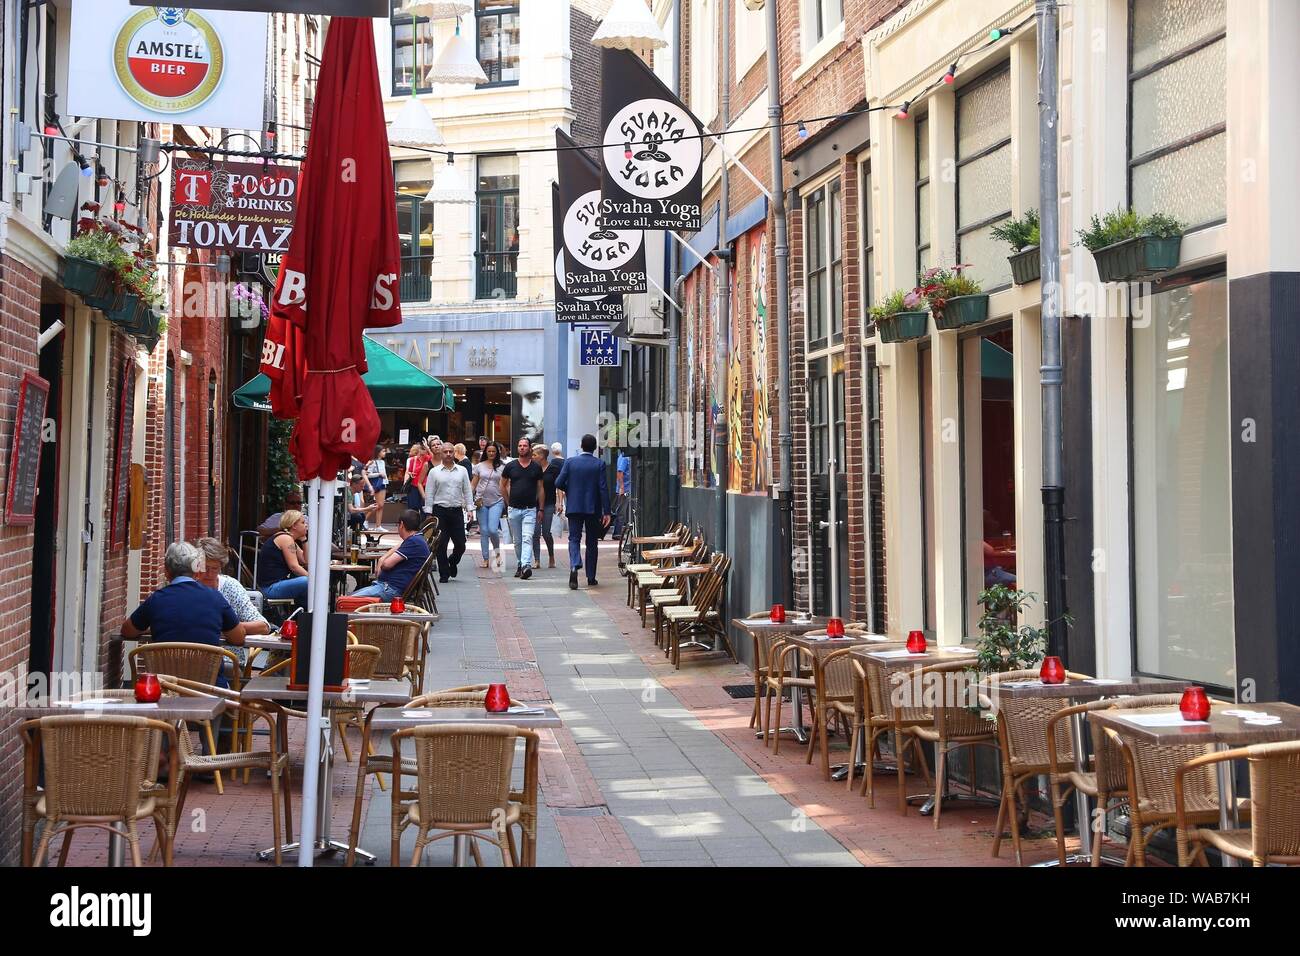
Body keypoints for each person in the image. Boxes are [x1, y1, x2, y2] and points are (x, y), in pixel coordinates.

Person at [122, 542, 246, 649]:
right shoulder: (215, 598)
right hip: (206, 676)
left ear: (166, 572)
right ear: (197, 571)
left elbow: (127, 632)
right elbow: (238, 638)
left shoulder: (156, 599)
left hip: (166, 676)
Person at [555, 433, 612, 590]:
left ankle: (574, 564)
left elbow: (558, 482)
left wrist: (571, 491)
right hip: (592, 508)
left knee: (574, 538)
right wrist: (607, 511)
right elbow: (603, 488)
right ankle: (591, 577)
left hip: (574, 507)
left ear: (581, 445)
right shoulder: (599, 464)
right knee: (592, 542)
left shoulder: (570, 462)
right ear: (594, 448)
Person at [194, 537, 271, 636]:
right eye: (204, 568)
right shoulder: (187, 586)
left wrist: (226, 628)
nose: (209, 574)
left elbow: (263, 627)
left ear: (221, 567)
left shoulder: (230, 586)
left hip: (228, 651)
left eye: (214, 568)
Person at [352, 510, 431, 601]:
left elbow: (386, 564)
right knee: (350, 597)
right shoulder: (415, 539)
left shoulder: (414, 542)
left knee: (346, 600)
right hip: (388, 587)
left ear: (401, 524)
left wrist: (383, 560)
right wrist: (383, 558)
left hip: (391, 590)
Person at [424, 443, 473, 583]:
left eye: (451, 451)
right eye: (445, 451)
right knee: (441, 544)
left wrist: (470, 509)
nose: (448, 454)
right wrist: (428, 513)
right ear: (441, 453)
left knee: (461, 544)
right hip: (440, 511)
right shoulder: (434, 472)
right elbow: (429, 493)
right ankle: (444, 573)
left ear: (454, 453)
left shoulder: (462, 470)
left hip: (457, 510)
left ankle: (453, 561)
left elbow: (467, 490)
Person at [501, 437, 544, 579]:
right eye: (520, 445)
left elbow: (540, 488)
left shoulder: (536, 467)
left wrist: (541, 508)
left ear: (530, 448)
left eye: (525, 445)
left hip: (530, 509)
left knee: (527, 537)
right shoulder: (511, 466)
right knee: (517, 541)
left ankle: (526, 565)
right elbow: (502, 485)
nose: (522, 448)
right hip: (513, 508)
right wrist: (508, 502)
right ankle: (520, 564)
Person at [256, 510, 310, 606]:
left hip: (276, 585)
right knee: (306, 582)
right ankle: (305, 615)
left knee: (306, 582)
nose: (306, 525)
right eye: (302, 522)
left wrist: (304, 540)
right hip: (270, 588)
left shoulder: (288, 538)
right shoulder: (285, 538)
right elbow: (294, 567)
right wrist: (313, 580)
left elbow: (305, 561)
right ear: (293, 525)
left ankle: (303, 615)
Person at [472, 440, 506, 569]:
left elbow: (506, 485)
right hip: (481, 501)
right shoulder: (479, 466)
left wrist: (508, 500)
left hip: (497, 500)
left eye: (493, 451)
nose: (491, 453)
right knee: (484, 531)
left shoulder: (502, 466)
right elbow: (473, 484)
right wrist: (469, 498)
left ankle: (497, 554)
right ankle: (486, 558)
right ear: (485, 452)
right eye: (489, 451)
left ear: (497, 452)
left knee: (492, 529)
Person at [533, 444, 561, 569]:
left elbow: (559, 485)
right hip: (534, 504)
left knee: (546, 533)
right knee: (535, 532)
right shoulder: (533, 469)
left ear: (542, 456)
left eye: (535, 455)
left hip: (549, 503)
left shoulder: (553, 468)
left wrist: (559, 502)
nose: (532, 457)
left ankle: (551, 556)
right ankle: (537, 560)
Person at [364, 446, 389, 530]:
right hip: (378, 484)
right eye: (383, 451)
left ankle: (378, 525)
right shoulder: (373, 462)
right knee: (379, 505)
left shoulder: (382, 462)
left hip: (383, 483)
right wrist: (379, 474)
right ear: (378, 452)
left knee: (381, 506)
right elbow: (368, 474)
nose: (384, 453)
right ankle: (365, 519)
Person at [614, 446, 633, 537]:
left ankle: (620, 532)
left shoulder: (624, 457)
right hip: (625, 488)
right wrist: (622, 487)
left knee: (624, 511)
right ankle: (617, 533)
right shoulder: (624, 458)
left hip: (627, 487)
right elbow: (620, 472)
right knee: (621, 511)